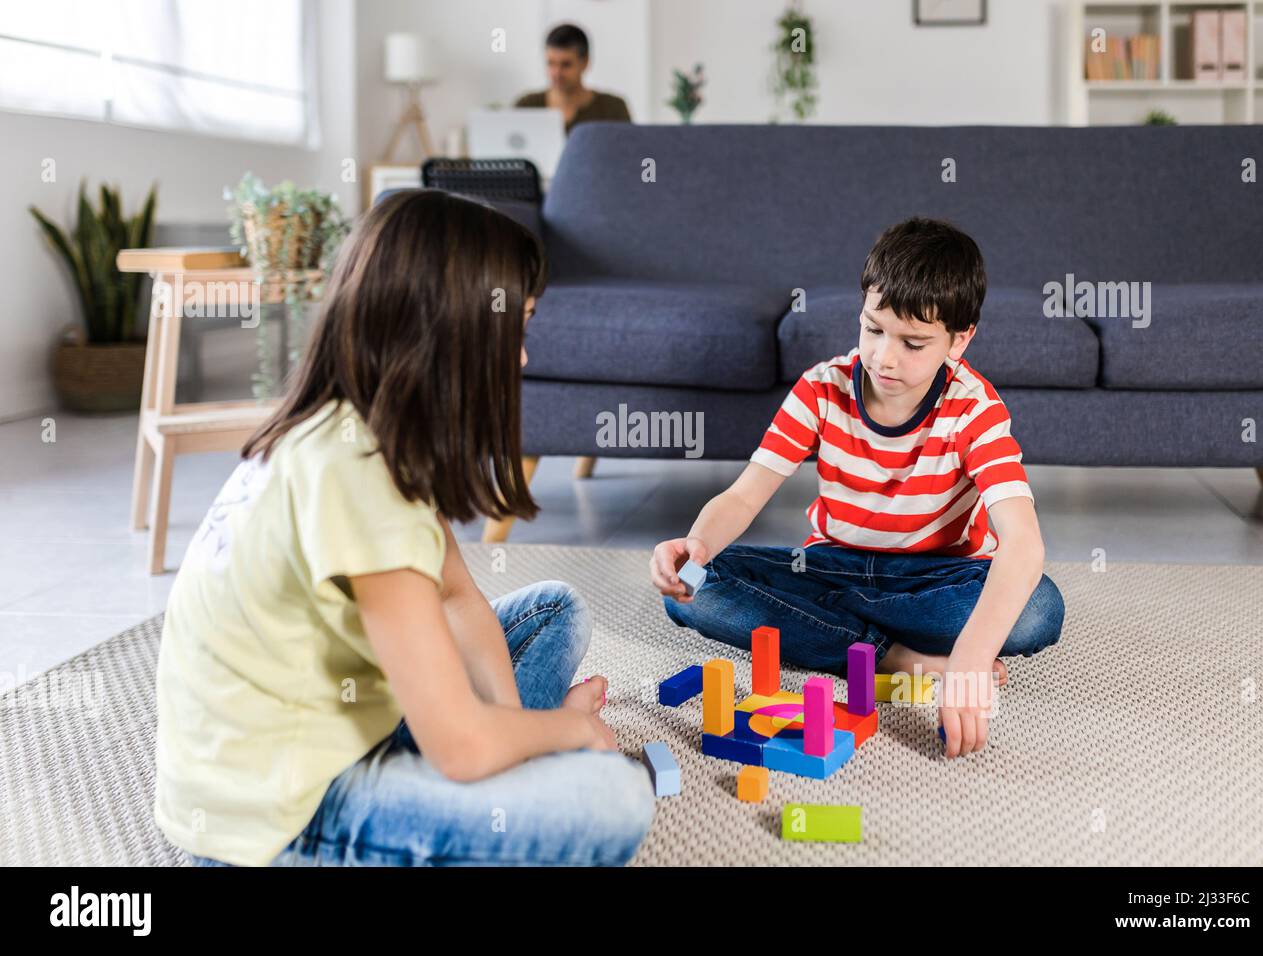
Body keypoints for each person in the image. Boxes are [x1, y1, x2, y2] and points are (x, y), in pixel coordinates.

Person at [155, 189, 654, 867]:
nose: (524, 358)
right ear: (452, 330)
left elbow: (455, 597)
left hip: (330, 729)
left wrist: (518, 733)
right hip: (282, 819)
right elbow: (460, 748)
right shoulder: (358, 474)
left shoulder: (358, 429)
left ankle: (503, 761)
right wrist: (562, 732)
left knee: (554, 611)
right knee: (615, 798)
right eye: (519, 327)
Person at [650, 217, 1066, 761]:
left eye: (913, 343)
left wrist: (970, 658)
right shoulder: (822, 388)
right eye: (873, 329)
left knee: (1038, 607)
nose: (884, 357)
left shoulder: (975, 408)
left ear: (960, 340)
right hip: (832, 565)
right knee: (693, 589)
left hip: (935, 577)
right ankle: (895, 658)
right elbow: (744, 495)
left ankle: (831, 630)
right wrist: (698, 543)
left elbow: (1024, 542)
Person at [514, 23, 631, 133]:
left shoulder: (612, 109)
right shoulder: (526, 107)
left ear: (585, 63)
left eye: (566, 65)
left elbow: (629, 151)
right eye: (551, 63)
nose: (556, 73)